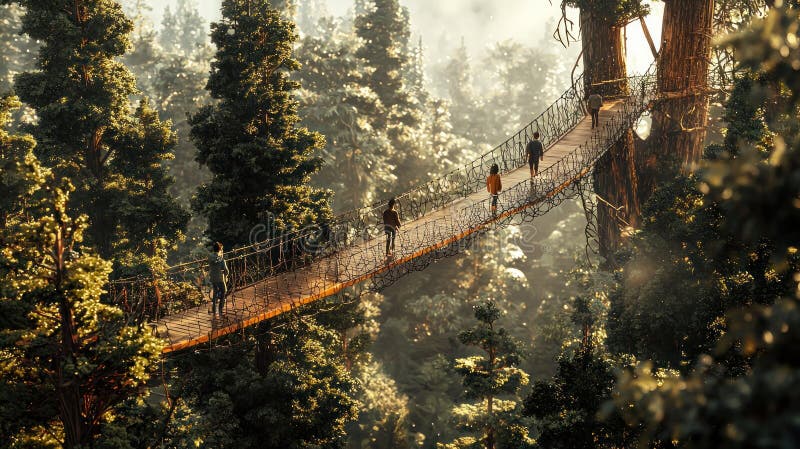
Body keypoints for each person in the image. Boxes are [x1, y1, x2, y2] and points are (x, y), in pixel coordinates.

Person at [208, 242, 229, 315]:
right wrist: (226, 277)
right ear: (220, 249)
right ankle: (220, 309)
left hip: (212, 277)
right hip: (220, 278)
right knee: (224, 291)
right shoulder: (222, 260)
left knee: (215, 291)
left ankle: (214, 308)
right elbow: (226, 271)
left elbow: (213, 261)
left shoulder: (210, 256)